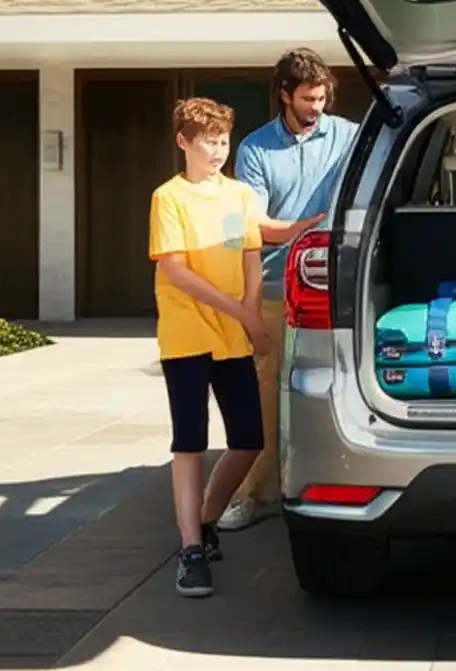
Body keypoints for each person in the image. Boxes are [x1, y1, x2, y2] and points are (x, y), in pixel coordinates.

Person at [216, 47, 360, 532]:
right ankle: (249, 495)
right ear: (284, 95)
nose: (317, 106)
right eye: (308, 98)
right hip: (277, 283)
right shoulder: (256, 149)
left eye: (322, 97)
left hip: (341, 283)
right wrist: (315, 224)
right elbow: (254, 226)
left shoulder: (348, 136)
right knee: (266, 390)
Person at [148, 97, 271, 598]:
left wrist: (250, 313)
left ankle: (203, 521)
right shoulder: (168, 197)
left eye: (223, 141)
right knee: (190, 442)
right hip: (186, 335)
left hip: (230, 337)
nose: (218, 151)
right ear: (184, 143)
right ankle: (191, 550)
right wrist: (240, 311)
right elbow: (175, 268)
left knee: (248, 439)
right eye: (208, 142)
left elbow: (250, 255)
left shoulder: (240, 195)